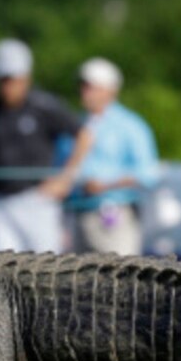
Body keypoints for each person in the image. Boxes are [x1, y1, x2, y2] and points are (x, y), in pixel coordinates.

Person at [0, 38, 95, 253]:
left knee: (45, 269)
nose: (8, 85)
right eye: (3, 79)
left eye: (13, 79)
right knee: (0, 271)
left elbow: (84, 135)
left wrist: (66, 177)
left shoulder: (44, 106)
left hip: (38, 201)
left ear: (26, 77)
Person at [65, 58, 159, 255]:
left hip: (117, 214)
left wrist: (106, 185)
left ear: (111, 90)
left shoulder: (131, 125)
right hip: (77, 214)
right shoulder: (74, 124)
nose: (85, 91)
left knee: (120, 279)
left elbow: (148, 173)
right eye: (83, 86)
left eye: (92, 87)